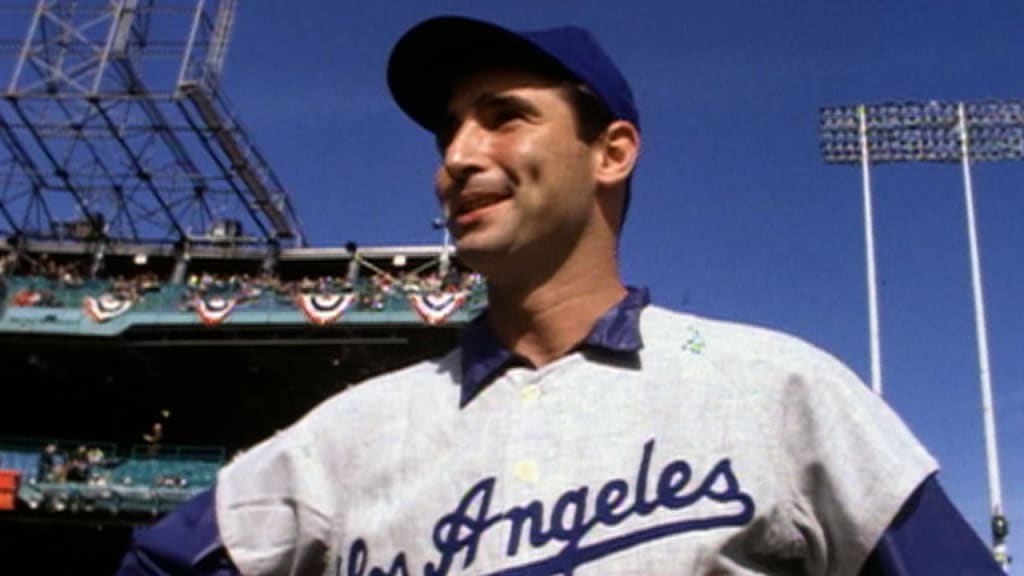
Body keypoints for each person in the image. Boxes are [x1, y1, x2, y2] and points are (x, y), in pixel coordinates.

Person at [116, 15, 1005, 576]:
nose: (458, 156)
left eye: (503, 116)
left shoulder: (777, 389)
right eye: (448, 131)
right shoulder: (346, 436)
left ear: (611, 153)